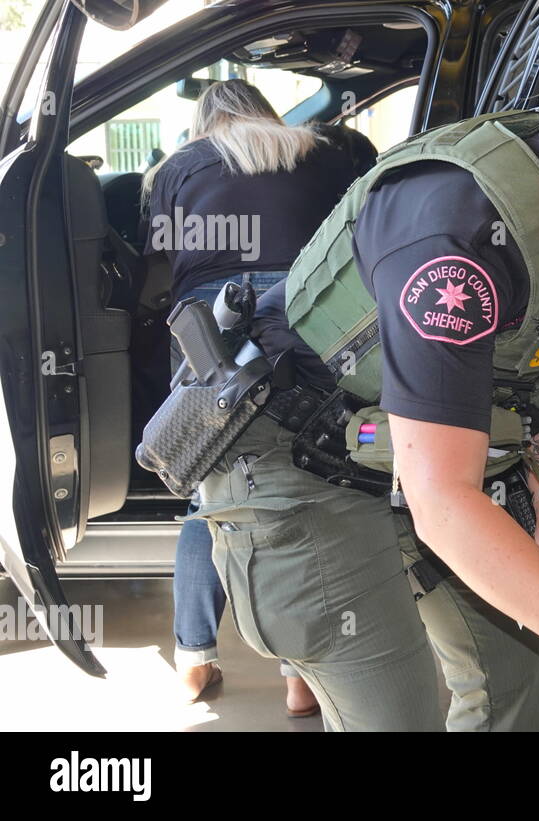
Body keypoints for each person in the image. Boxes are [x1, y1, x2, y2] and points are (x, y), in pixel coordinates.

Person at [171, 5, 539, 731]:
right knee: (398, 711)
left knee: (521, 681)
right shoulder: (455, 238)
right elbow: (442, 501)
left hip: (422, 446)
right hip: (301, 459)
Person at [142, 78, 369, 714]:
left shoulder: (178, 166)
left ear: (203, 122)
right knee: (308, 485)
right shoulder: (322, 152)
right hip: (301, 312)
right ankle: (301, 678)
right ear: (266, 113)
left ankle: (194, 659)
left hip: (210, 321)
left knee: (208, 492)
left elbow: (160, 255)